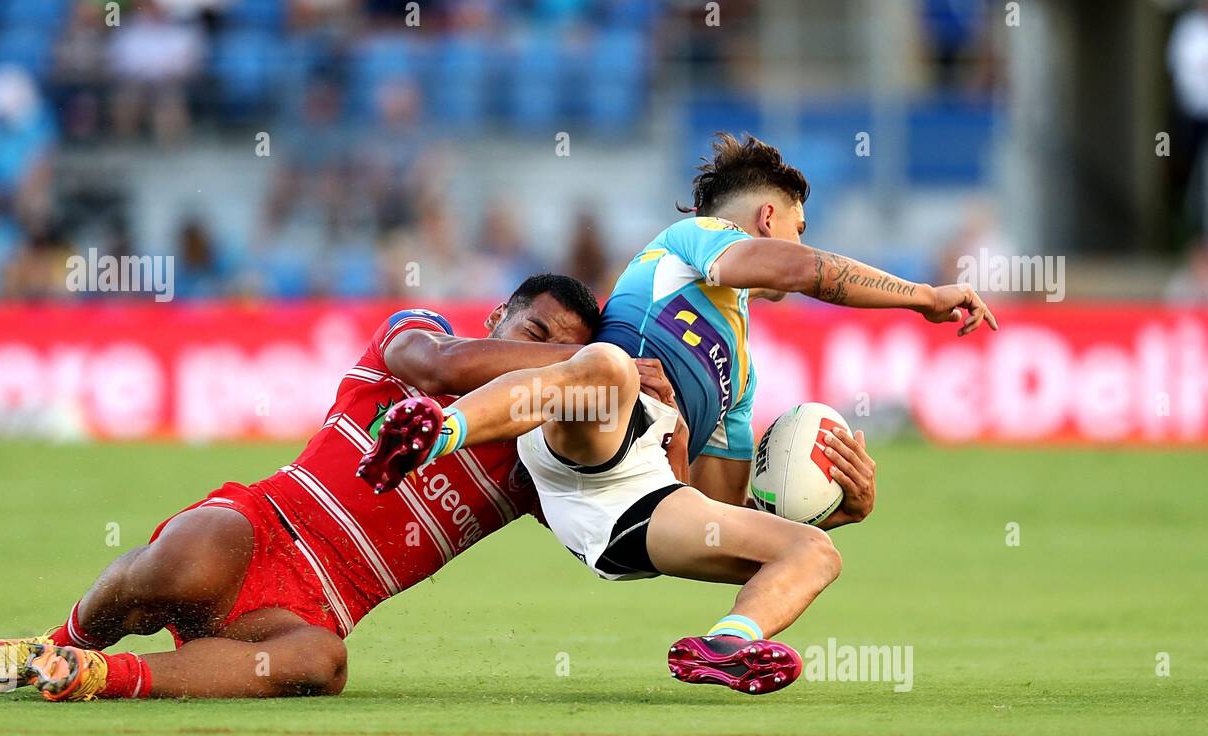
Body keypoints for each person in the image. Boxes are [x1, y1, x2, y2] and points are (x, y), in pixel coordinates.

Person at [360, 133, 997, 695]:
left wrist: (833, 508)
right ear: (767, 218)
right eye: (799, 227)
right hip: (588, 428)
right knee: (608, 366)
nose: (801, 243)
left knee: (814, 553)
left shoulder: (741, 373)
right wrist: (922, 297)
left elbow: (715, 508)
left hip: (634, 510)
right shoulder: (691, 243)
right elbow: (808, 270)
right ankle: (434, 433)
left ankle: (725, 645)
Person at [0, 275, 675, 701]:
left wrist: (694, 446)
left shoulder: (534, 462)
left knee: (323, 663)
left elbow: (622, 536)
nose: (546, 358)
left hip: (310, 608)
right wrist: (590, 358)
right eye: (536, 332)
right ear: (498, 319)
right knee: (186, 561)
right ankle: (53, 641)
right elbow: (445, 367)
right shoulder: (416, 339)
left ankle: (100, 673)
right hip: (262, 526)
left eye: (562, 347)